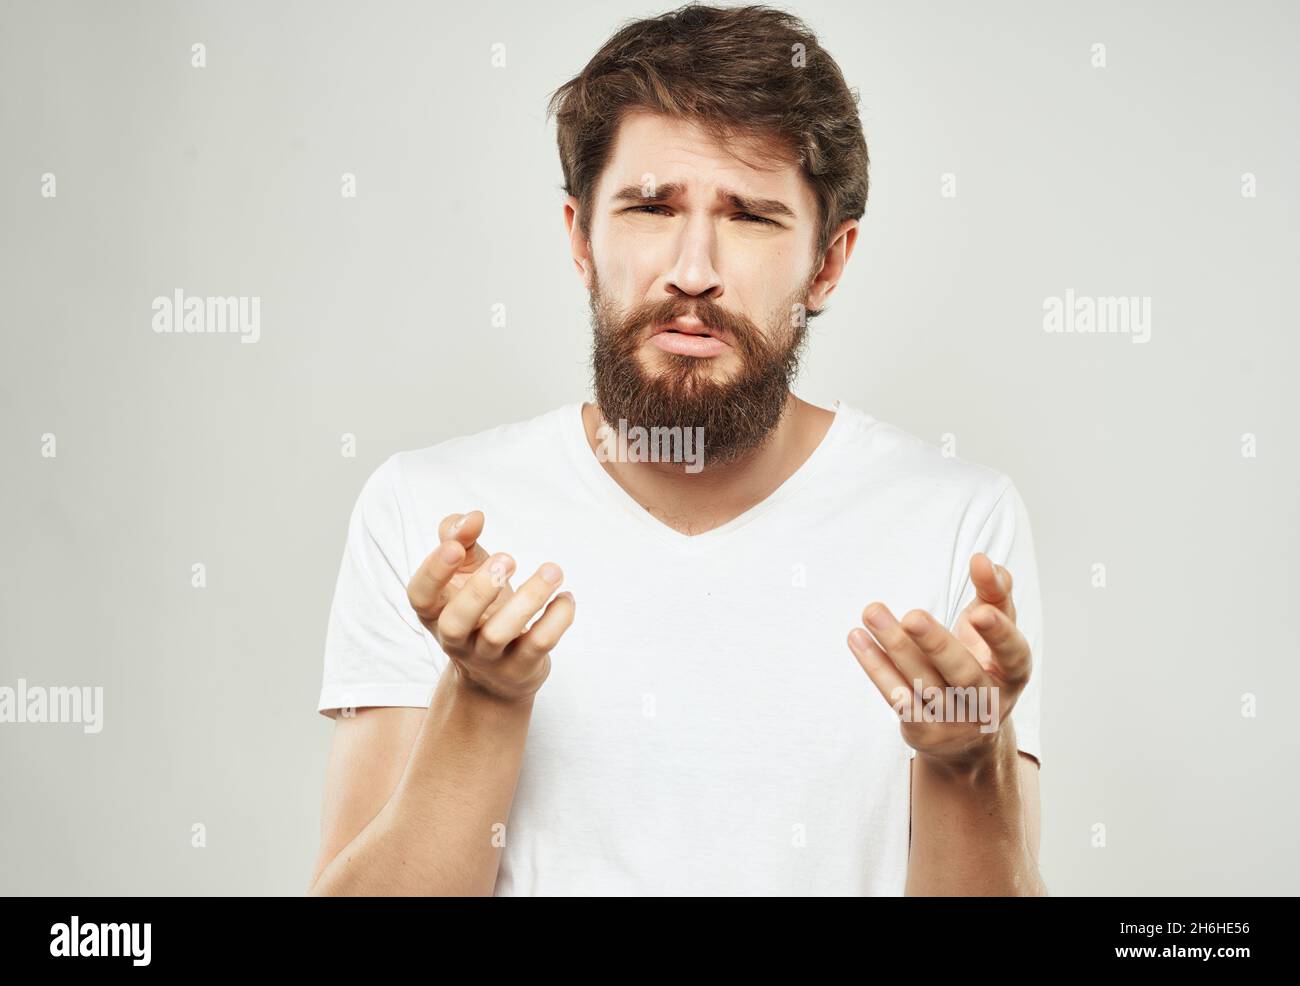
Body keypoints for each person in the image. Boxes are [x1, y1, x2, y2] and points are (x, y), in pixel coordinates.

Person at [308, 3, 1046, 896]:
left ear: (828, 262)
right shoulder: (424, 510)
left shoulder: (957, 524)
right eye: (652, 206)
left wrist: (969, 759)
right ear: (581, 238)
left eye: (752, 217)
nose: (692, 270)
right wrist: (485, 698)